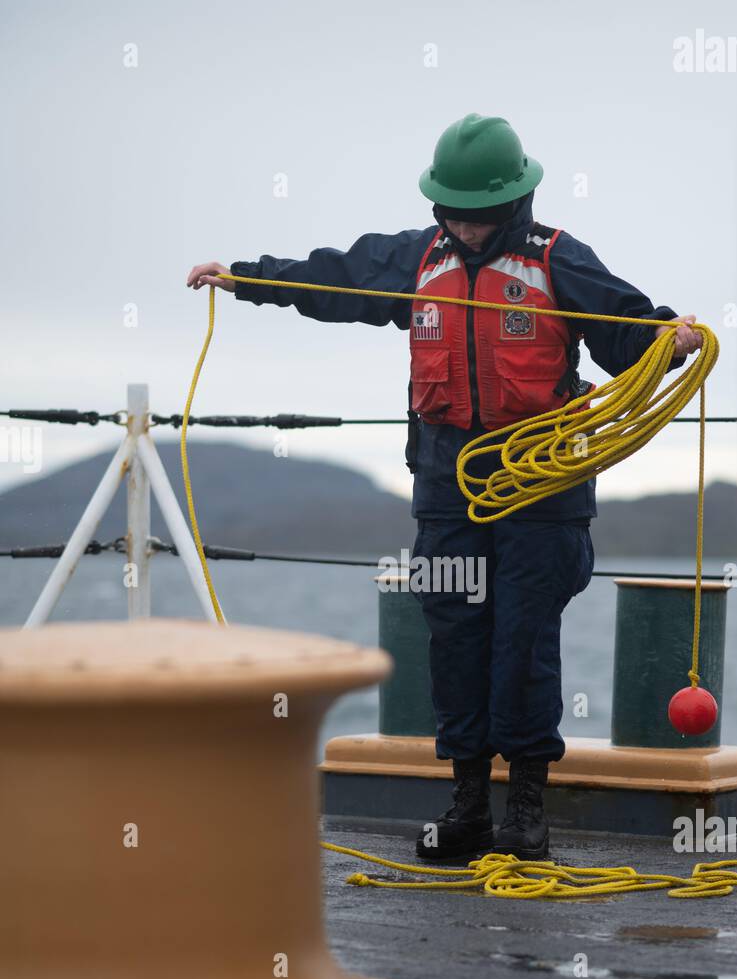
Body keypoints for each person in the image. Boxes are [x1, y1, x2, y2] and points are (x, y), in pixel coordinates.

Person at [187, 113, 702, 862]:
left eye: (476, 214)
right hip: (446, 484)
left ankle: (526, 807)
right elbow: (334, 279)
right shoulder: (415, 258)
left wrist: (667, 336)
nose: (463, 227)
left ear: (512, 203)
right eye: (451, 213)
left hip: (542, 482)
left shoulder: (558, 258)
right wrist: (245, 279)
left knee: (523, 638)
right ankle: (466, 802)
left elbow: (626, 331)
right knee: (454, 634)